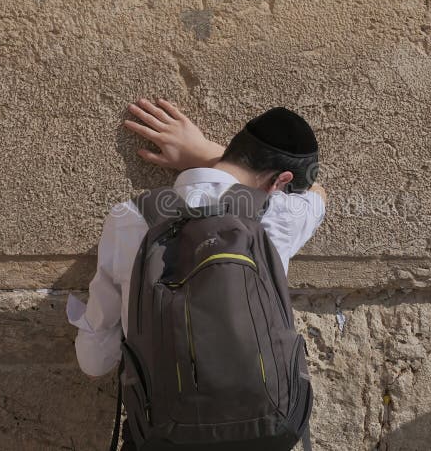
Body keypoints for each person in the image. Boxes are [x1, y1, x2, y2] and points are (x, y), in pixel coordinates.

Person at [67, 97, 326, 449]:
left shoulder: (130, 218)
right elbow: (317, 192)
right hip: (265, 431)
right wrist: (204, 152)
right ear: (280, 181)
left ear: (237, 148)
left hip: (165, 436)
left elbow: (95, 361)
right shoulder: (278, 215)